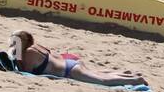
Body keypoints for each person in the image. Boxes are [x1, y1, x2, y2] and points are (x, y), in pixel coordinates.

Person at [8, 30, 147, 87]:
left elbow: (25, 71)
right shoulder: (37, 47)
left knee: (103, 81)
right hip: (70, 63)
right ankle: (127, 74)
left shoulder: (28, 55)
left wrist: (14, 54)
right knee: (98, 73)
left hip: (69, 71)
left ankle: (135, 80)